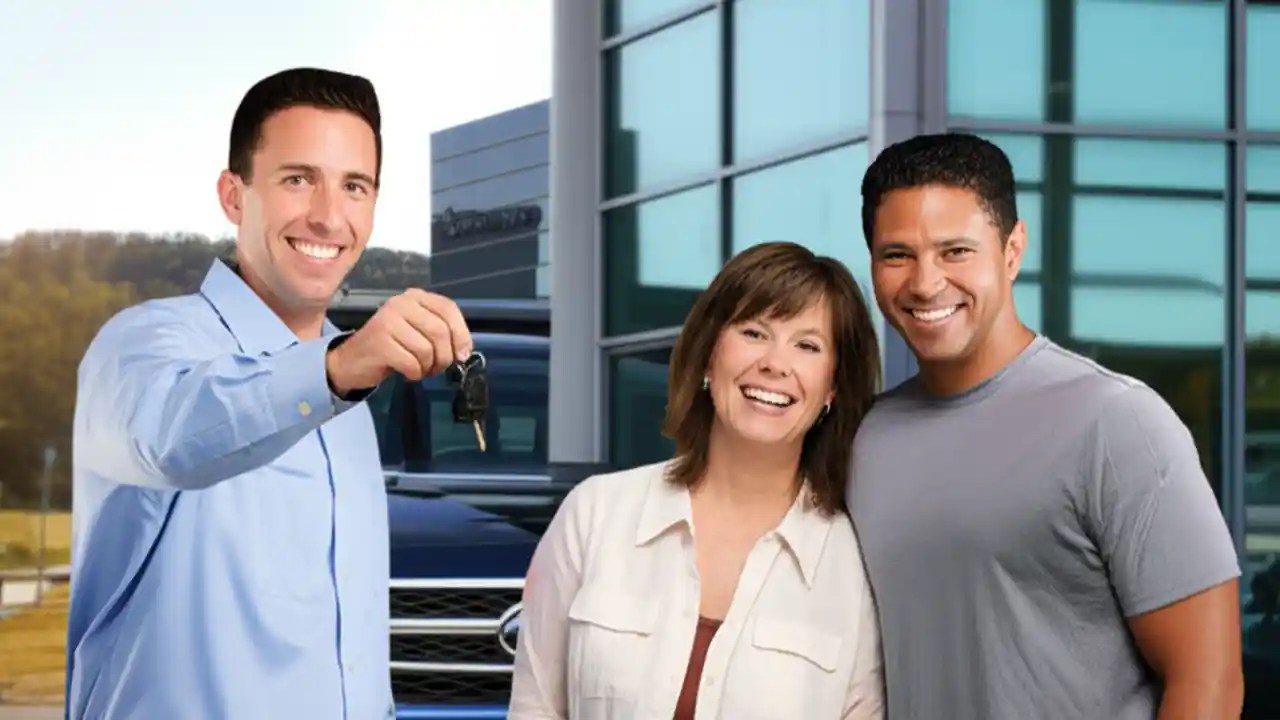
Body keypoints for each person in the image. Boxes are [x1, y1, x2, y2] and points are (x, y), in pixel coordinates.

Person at [66, 67, 473, 719]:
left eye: (354, 186)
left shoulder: (347, 397)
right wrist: (337, 368)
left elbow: (353, 650)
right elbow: (173, 434)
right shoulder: (142, 346)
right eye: (297, 178)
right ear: (234, 195)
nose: (328, 215)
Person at [849, 132, 1244, 719]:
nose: (925, 282)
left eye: (955, 251)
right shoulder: (867, 436)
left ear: (1012, 252)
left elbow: (1209, 681)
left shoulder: (1117, 422)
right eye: (897, 255)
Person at [509, 241, 885, 719]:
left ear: (832, 387)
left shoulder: (852, 566)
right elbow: (534, 709)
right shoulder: (595, 515)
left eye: (807, 345)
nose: (774, 362)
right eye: (753, 332)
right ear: (710, 355)